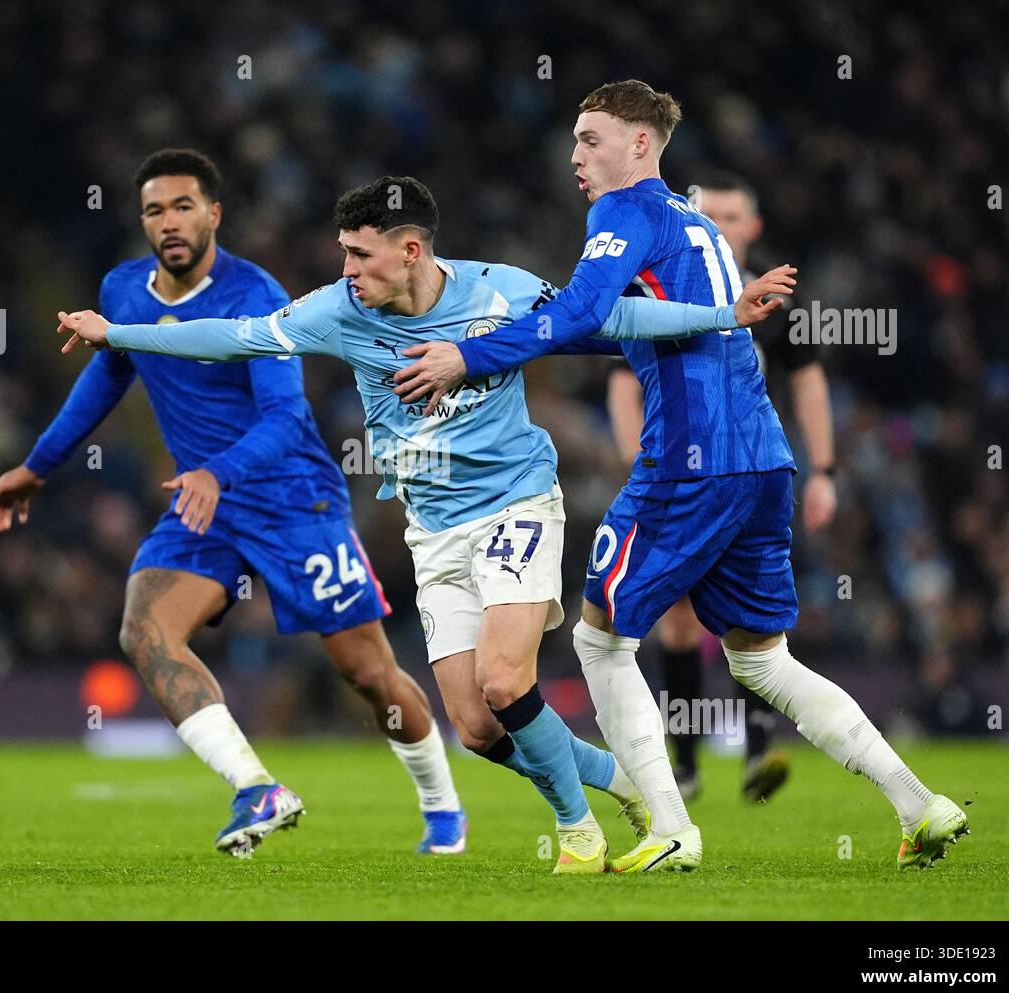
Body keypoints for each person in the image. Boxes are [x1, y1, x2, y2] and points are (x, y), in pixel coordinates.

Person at [54, 175, 791, 873]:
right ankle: (618, 778)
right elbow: (235, 335)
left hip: (517, 503)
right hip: (433, 530)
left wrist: (725, 314)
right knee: (475, 727)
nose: (345, 268)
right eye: (342, 251)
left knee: (506, 680)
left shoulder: (496, 291)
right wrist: (118, 333)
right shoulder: (337, 311)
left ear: (411, 251)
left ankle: (576, 828)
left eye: (359, 253)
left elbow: (608, 316)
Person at [393, 80, 969, 871]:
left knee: (599, 640)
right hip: (763, 461)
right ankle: (920, 804)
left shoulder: (624, 212)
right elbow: (623, 328)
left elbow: (586, 311)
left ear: (639, 144)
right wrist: (517, 333)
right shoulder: (696, 227)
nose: (575, 156)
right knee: (763, 658)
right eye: (573, 140)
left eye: (590, 139)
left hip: (690, 463)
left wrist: (469, 353)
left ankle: (669, 826)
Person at [0, 149, 466, 859]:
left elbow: (283, 414)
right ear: (142, 221)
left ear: (214, 213)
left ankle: (442, 805)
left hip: (292, 498)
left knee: (367, 671)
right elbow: (106, 376)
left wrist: (218, 470)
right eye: (154, 209)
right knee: (144, 628)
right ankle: (256, 786)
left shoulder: (255, 295)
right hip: (205, 504)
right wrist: (37, 465)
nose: (169, 222)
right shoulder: (122, 291)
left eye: (184, 206)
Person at [606, 170, 837, 803]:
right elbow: (624, 381)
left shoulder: (774, 294)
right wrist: (642, 463)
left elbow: (809, 378)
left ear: (751, 226)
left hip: (753, 471)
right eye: (710, 214)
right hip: (683, 471)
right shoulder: (664, 277)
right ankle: (688, 760)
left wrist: (824, 470)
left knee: (752, 622)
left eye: (732, 218)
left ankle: (758, 747)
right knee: (680, 621)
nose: (720, 227)